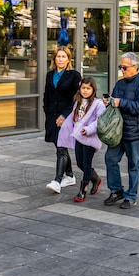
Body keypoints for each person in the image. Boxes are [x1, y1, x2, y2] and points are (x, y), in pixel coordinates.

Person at [103, 52, 139, 210]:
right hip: (117, 132)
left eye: (124, 67)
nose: (122, 70)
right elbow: (116, 102)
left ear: (135, 67)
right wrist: (109, 102)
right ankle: (116, 190)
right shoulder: (119, 83)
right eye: (120, 67)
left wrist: (120, 102)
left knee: (134, 165)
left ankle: (131, 196)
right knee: (110, 159)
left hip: (135, 133)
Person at [56, 77, 104, 202]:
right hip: (79, 136)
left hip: (90, 138)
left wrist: (88, 130)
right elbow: (74, 118)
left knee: (86, 164)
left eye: (88, 88)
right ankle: (96, 179)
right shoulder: (78, 102)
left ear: (93, 89)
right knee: (80, 163)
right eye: (83, 88)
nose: (85, 91)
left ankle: (82, 191)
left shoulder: (98, 104)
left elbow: (99, 121)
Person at [43, 47, 81, 193]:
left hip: (66, 116)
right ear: (54, 59)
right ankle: (70, 175)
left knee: (61, 147)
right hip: (52, 116)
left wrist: (65, 115)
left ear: (68, 59)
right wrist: (47, 111)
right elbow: (47, 95)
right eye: (58, 56)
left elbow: (77, 98)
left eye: (63, 56)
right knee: (59, 146)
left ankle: (58, 181)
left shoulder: (74, 75)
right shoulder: (49, 75)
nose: (60, 59)